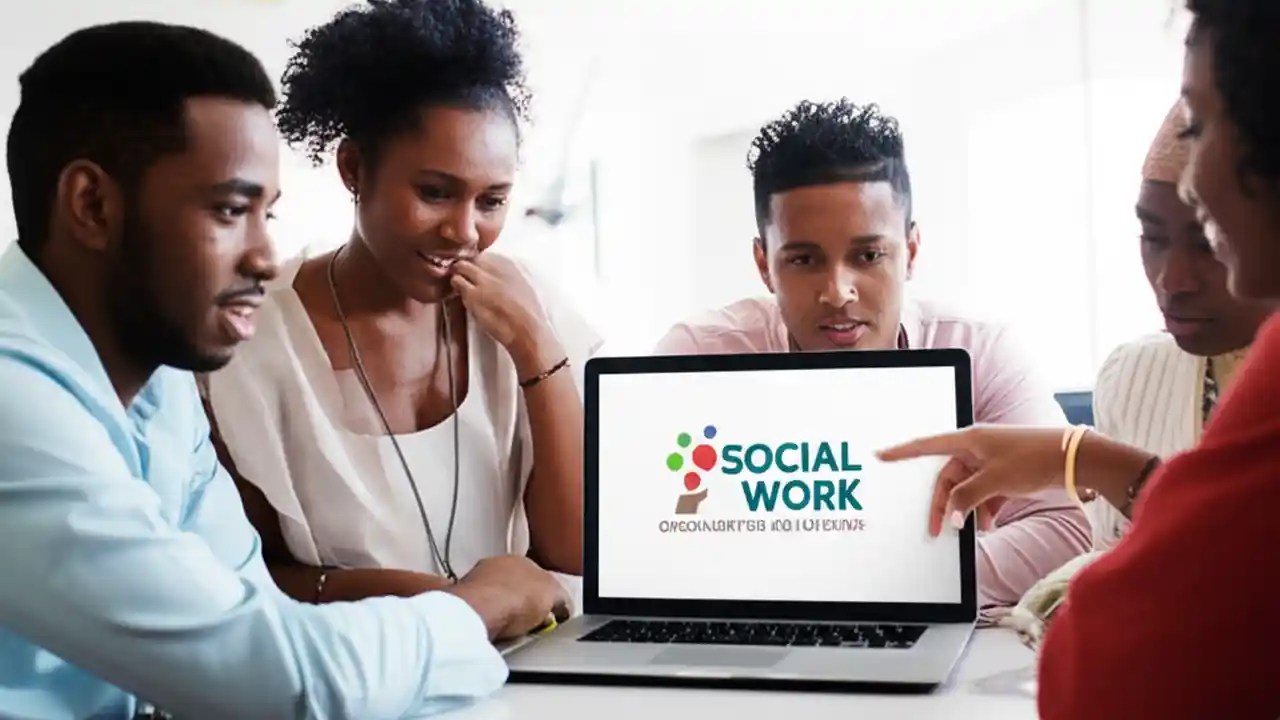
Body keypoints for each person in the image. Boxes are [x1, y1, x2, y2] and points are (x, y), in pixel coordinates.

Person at [0, 22, 566, 719]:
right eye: (229, 211)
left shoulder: (162, 381)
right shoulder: (13, 400)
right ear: (92, 205)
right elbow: (273, 680)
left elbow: (256, 615)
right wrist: (479, 605)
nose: (266, 258)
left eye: (266, 214)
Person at [878, 1, 1280, 715]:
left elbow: (1112, 659)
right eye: (1151, 235)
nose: (1195, 177)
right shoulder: (1137, 375)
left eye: (1201, 124)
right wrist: (1084, 457)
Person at [201, 0, 600, 608]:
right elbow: (249, 574)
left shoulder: (525, 305)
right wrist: (451, 603)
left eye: (491, 201)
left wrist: (537, 352)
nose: (463, 231)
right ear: (354, 169)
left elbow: (577, 551)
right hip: (357, 659)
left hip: (532, 654)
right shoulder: (250, 342)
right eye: (435, 192)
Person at [654, 98, 1090, 617]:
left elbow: (1065, 530)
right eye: (804, 260)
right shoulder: (697, 358)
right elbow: (645, 543)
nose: (838, 292)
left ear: (911, 251)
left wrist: (873, 583)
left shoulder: (981, 354)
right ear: (764, 264)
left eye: (868, 256)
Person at [1087, 99, 1270, 549]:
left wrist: (1094, 463)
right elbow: (1111, 564)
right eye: (1153, 237)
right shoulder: (1131, 376)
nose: (1172, 280)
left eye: (1209, 243)